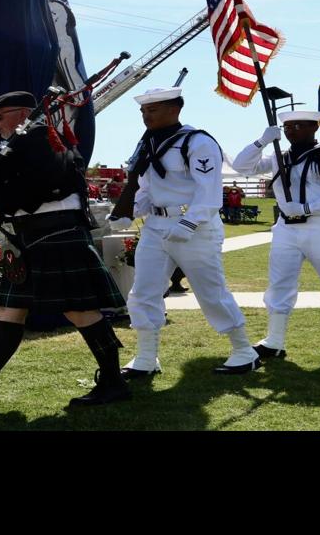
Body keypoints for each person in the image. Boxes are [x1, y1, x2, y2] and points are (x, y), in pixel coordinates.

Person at [0, 89, 131, 407]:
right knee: (7, 311)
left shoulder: (41, 137)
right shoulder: (21, 145)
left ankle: (114, 383)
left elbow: (36, 187)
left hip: (57, 235)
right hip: (34, 238)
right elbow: (11, 185)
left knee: (80, 311)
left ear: (21, 113)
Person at [105, 87, 259, 377]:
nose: (145, 115)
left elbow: (209, 192)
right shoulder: (147, 144)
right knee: (143, 292)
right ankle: (146, 359)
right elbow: (147, 189)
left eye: (153, 110)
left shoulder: (197, 142)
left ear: (175, 109)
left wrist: (188, 224)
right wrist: (129, 212)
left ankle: (244, 351)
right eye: (143, 111)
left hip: (195, 226)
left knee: (211, 292)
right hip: (156, 226)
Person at [231, 109, 320, 357]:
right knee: (279, 285)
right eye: (288, 127)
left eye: (298, 126)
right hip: (286, 229)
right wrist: (262, 141)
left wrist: (307, 208)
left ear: (314, 128)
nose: (291, 131)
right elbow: (240, 166)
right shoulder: (279, 157)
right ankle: (274, 341)